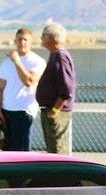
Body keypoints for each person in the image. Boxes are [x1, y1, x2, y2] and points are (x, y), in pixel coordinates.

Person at [0, 28, 46, 151]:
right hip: (6, 111)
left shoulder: (37, 61)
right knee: (6, 151)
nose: (22, 42)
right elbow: (0, 88)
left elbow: (29, 81)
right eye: (20, 39)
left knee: (21, 151)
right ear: (15, 41)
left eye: (25, 40)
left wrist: (17, 61)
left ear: (31, 42)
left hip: (23, 111)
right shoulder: (6, 62)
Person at [35, 22, 76, 155]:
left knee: (57, 151)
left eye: (43, 35)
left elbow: (67, 88)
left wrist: (54, 111)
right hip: (49, 110)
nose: (41, 38)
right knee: (52, 150)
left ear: (52, 38)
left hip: (57, 112)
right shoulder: (55, 55)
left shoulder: (60, 56)